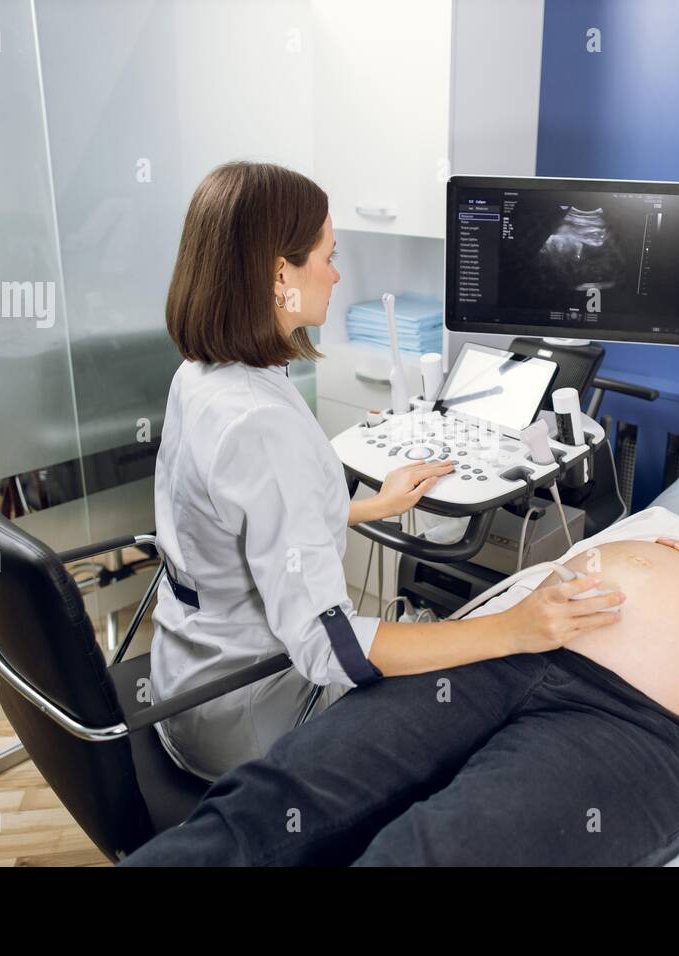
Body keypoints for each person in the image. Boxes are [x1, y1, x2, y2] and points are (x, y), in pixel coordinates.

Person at [123, 458, 679, 866]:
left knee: (427, 855)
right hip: (495, 656)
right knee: (276, 799)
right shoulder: (659, 520)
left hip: (634, 727)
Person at [148, 162, 624, 782]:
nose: (337, 273)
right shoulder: (261, 422)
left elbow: (240, 525)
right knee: (485, 681)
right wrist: (514, 628)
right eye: (327, 255)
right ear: (278, 274)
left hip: (184, 687)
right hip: (252, 717)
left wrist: (371, 506)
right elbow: (328, 648)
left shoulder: (202, 374)